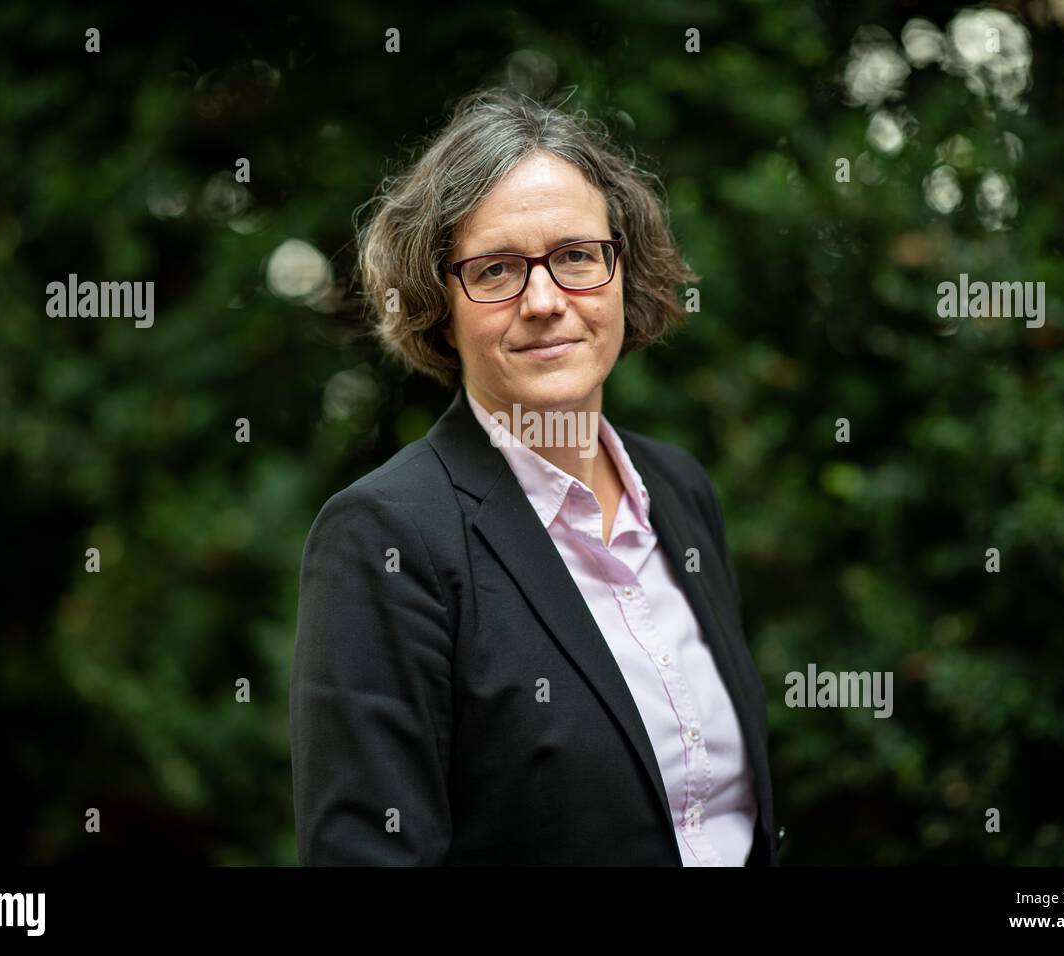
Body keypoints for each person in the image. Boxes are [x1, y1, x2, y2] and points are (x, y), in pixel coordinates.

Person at [290, 87, 777, 865]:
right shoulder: (386, 538)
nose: (546, 301)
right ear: (438, 304)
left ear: (624, 270)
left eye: (577, 256)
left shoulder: (681, 492)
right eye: (497, 269)